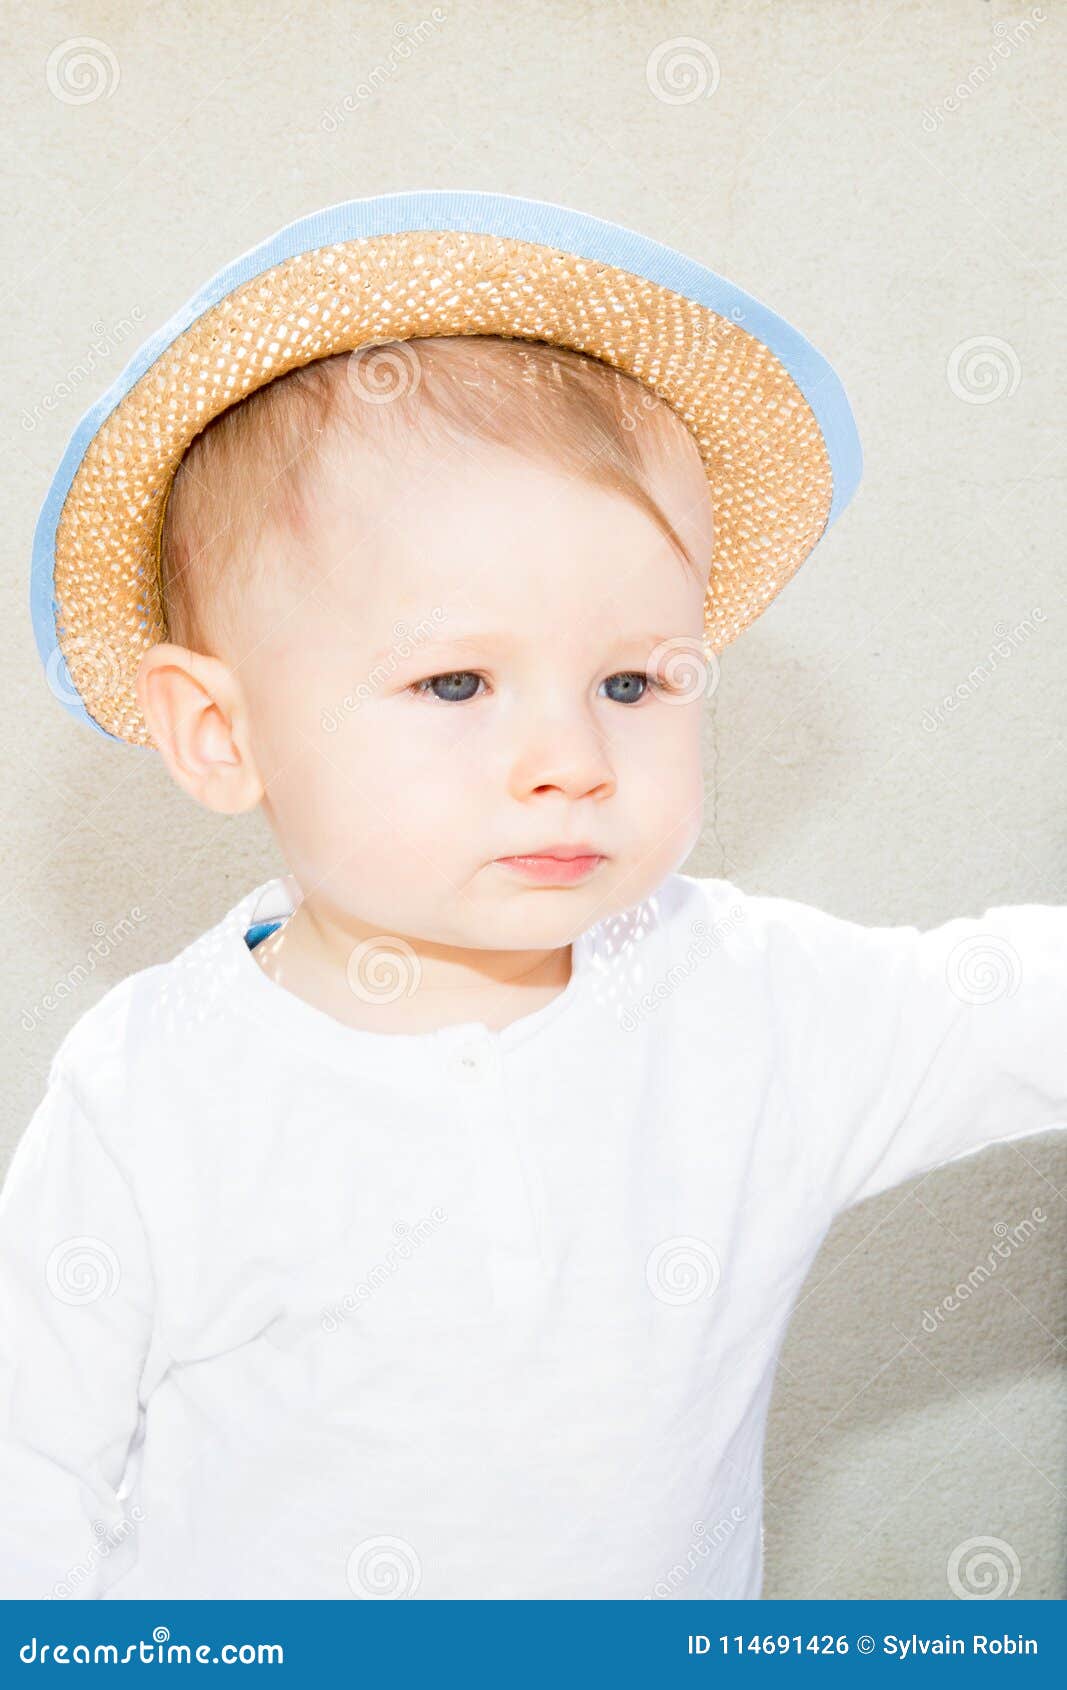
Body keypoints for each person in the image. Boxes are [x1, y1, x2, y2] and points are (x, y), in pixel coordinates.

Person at [5, 192, 1063, 1599]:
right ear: (219, 731)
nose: (571, 758)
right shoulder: (151, 1092)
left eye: (631, 680)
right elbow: (33, 1479)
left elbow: (1013, 1008)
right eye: (456, 682)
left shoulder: (751, 1003)